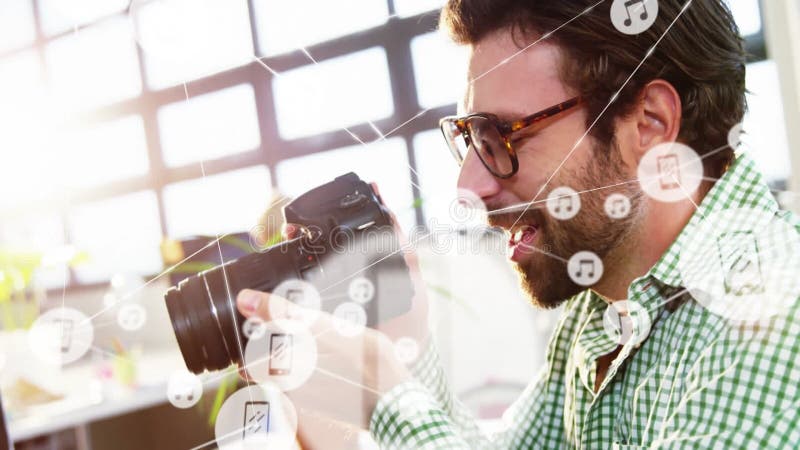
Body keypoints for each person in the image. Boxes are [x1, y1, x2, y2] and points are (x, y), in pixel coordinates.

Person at [235, 1, 800, 448]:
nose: (468, 188)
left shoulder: (776, 324)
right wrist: (403, 338)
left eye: (504, 136)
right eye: (470, 140)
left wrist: (388, 401)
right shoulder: (603, 306)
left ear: (650, 123)